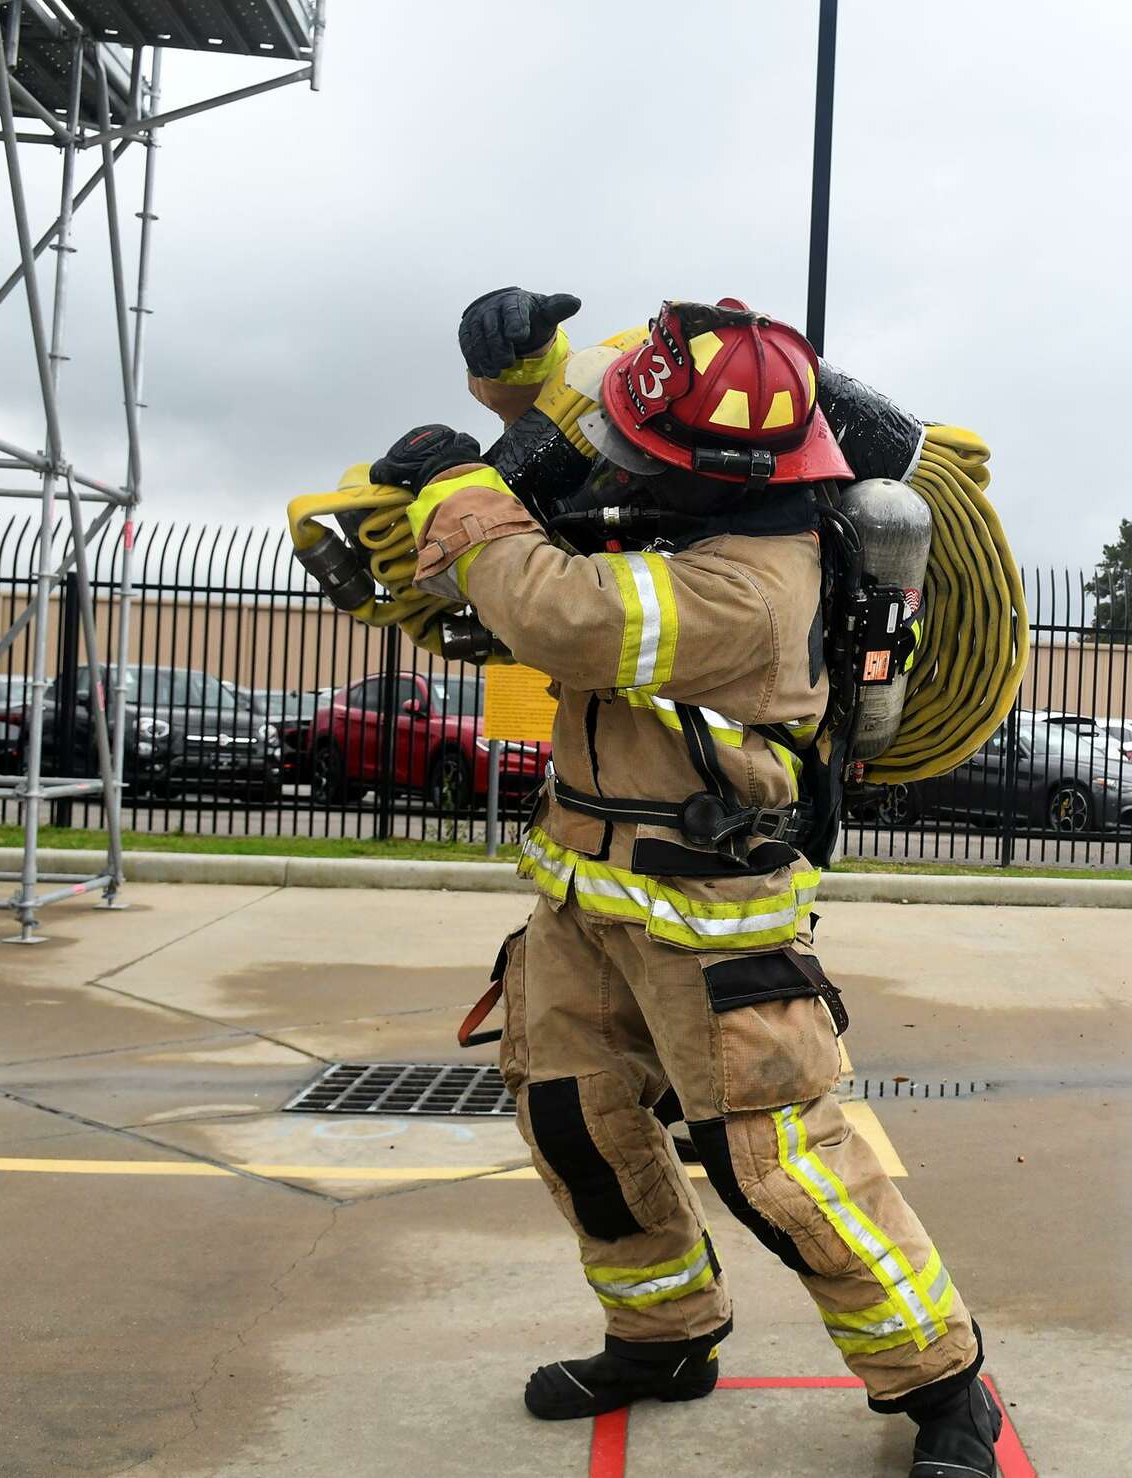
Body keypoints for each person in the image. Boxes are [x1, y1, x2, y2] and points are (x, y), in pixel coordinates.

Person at [370, 287, 1001, 1478]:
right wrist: (519, 376)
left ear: (719, 473)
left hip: (714, 918)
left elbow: (563, 615)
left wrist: (460, 486)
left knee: (777, 1167)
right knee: (577, 1118)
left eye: (646, 451)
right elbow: (552, 499)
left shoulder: (749, 590)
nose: (623, 464)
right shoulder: (682, 527)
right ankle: (663, 1333)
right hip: (584, 895)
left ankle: (942, 1379)